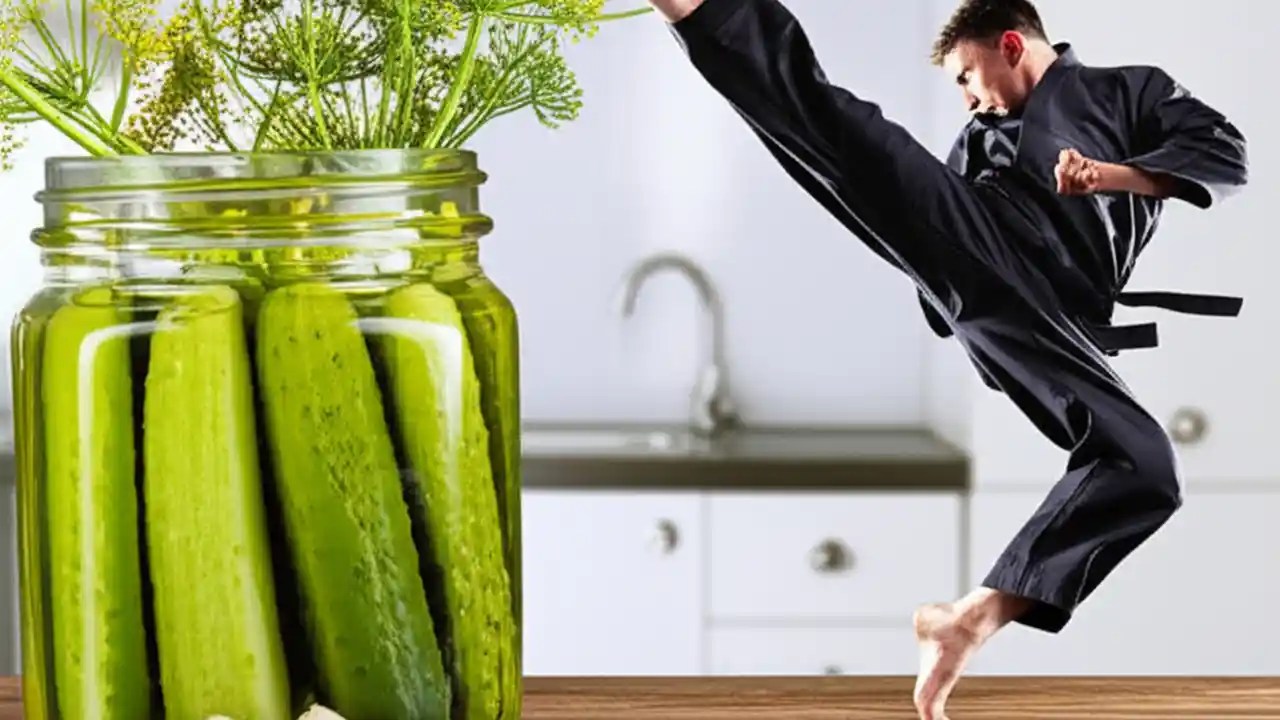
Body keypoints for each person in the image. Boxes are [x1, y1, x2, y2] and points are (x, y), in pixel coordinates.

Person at [642, 0, 1249, 717]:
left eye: (968, 76)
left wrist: (1107, 177)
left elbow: (1225, 154)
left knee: (1146, 466)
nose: (966, 98)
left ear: (1013, 44)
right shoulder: (976, 143)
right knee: (847, 136)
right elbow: (935, 251)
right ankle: (692, 8)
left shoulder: (1130, 91)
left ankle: (966, 620)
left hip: (1059, 314)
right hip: (984, 254)